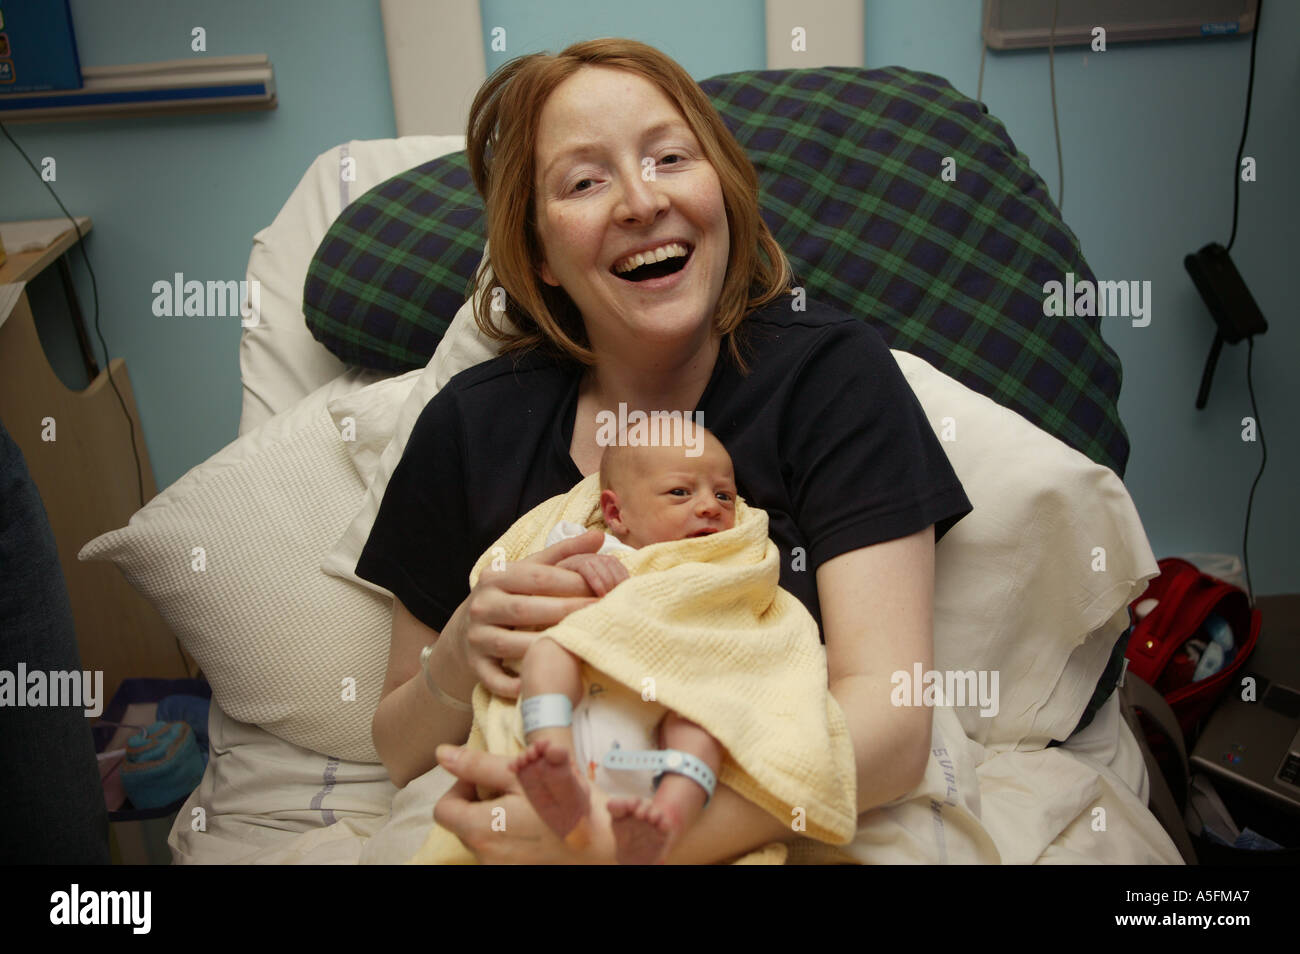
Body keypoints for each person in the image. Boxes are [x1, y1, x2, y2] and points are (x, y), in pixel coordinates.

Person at [357, 37, 973, 864]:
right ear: (539, 255)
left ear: (719, 187)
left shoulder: (831, 381)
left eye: (669, 158)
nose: (642, 202)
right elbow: (397, 748)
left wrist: (611, 848)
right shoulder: (470, 430)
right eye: (584, 180)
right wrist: (464, 650)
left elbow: (894, 727)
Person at [512, 425, 737, 865]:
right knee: (549, 651)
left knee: (710, 720)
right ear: (616, 513)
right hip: (586, 709)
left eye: (725, 496)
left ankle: (666, 818)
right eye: (679, 492)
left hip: (666, 713)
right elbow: (533, 593)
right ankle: (554, 763)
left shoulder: (724, 563)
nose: (710, 506)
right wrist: (582, 567)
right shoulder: (598, 544)